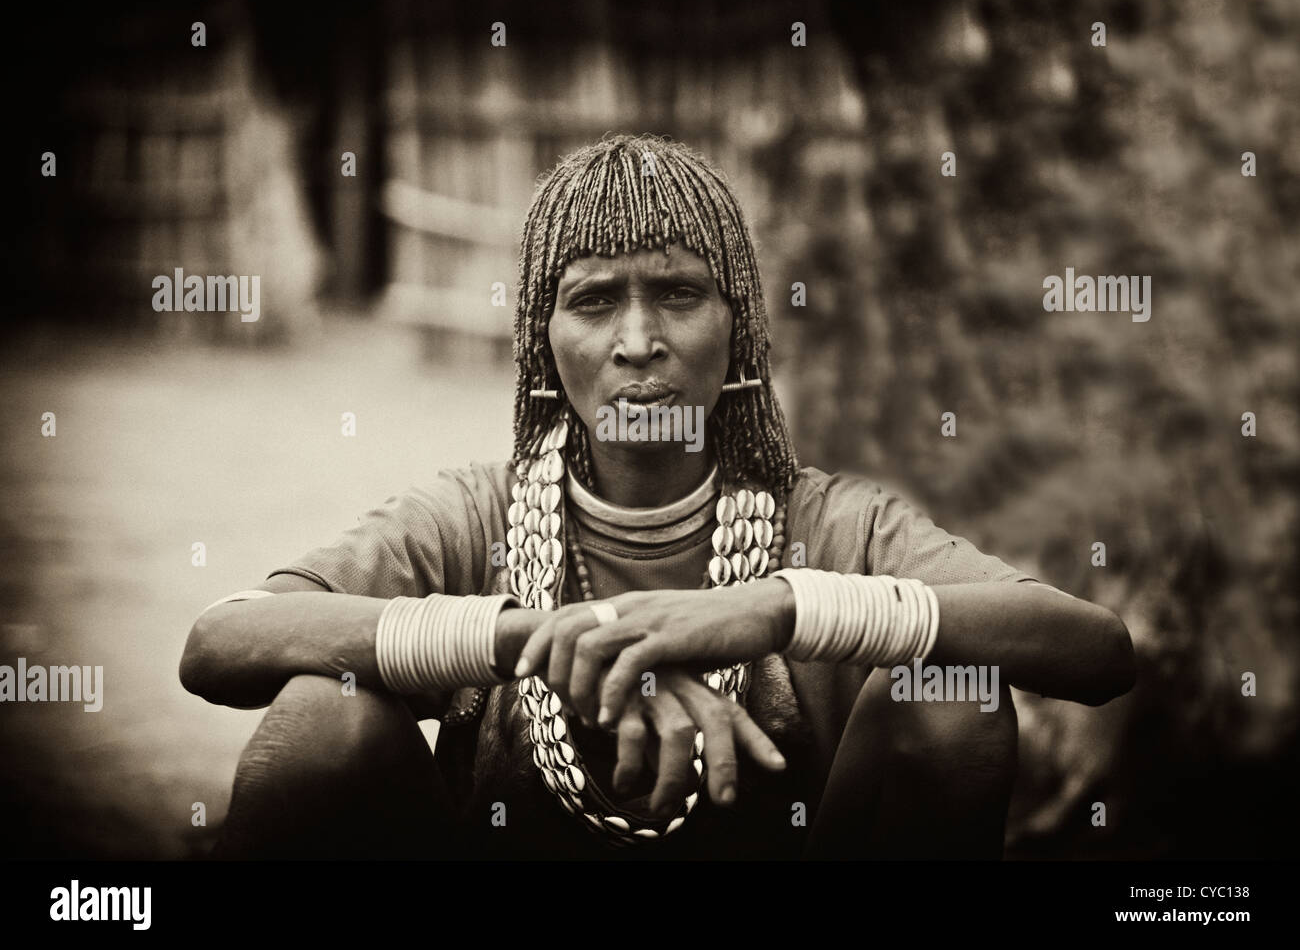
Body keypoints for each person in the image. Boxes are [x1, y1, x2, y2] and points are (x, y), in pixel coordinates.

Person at [180, 134, 1135, 860]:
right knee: (322, 714)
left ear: (740, 332)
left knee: (949, 691)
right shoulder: (478, 516)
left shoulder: (830, 525)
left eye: (679, 293)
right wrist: (533, 639)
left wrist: (773, 608)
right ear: (543, 347)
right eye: (594, 301)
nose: (639, 340)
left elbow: (1093, 648)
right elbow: (220, 642)